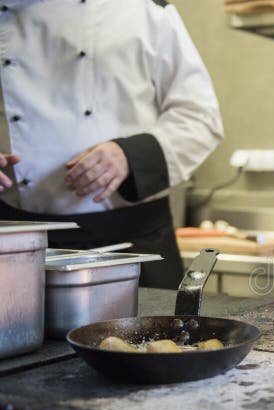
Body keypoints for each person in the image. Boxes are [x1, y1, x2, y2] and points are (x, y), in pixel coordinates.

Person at [0, 0, 222, 289]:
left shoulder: (144, 9)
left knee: (153, 335)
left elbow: (201, 118)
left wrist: (130, 156)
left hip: (132, 242)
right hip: (14, 247)